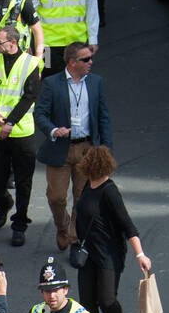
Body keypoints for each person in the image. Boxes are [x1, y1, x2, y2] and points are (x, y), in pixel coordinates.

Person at [34, 42, 113, 252]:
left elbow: (103, 116)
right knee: (56, 197)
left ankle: (77, 239)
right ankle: (62, 226)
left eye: (90, 58)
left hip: (87, 149)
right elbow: (39, 114)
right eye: (86, 59)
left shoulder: (96, 82)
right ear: (72, 62)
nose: (91, 63)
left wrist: (105, 148)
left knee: (83, 197)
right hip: (61, 148)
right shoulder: (52, 84)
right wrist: (52, 130)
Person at [73, 144, 151, 313]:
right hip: (88, 255)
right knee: (87, 304)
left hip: (109, 255)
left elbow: (128, 225)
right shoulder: (87, 186)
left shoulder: (110, 192)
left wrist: (140, 254)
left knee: (106, 299)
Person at [0, 24, 41, 249]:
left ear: (13, 43)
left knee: (24, 181)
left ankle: (20, 225)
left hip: (21, 131)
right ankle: (3, 203)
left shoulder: (31, 63)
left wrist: (11, 123)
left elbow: (30, 96)